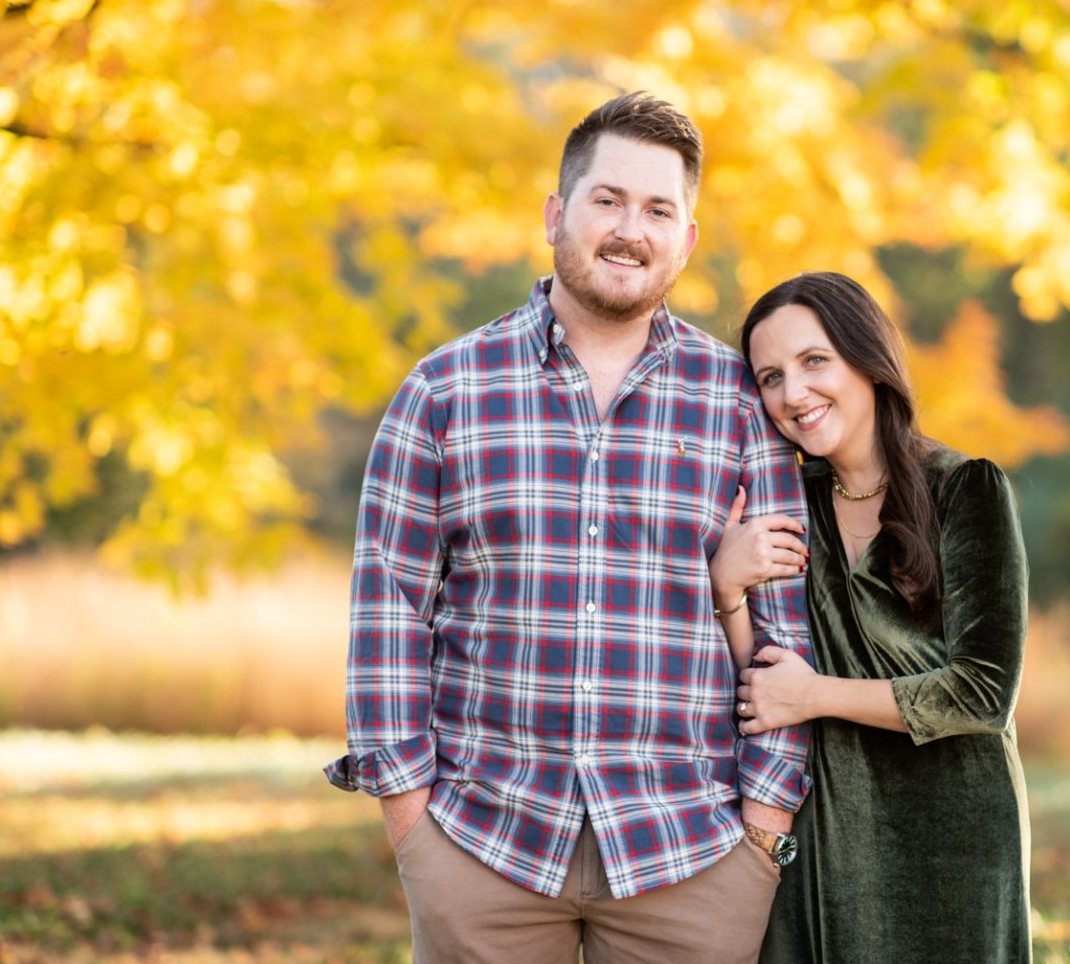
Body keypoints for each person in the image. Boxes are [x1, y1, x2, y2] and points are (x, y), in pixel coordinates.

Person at [325, 92, 813, 964]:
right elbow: (389, 610)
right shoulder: (443, 392)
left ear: (687, 239)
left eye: (659, 210)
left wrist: (763, 831)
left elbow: (789, 631)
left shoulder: (740, 402)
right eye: (608, 200)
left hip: (693, 854)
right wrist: (410, 825)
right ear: (557, 214)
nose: (632, 229)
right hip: (482, 846)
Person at [710, 271, 1032, 963]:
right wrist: (727, 590)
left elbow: (984, 693)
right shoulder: (786, 501)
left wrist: (815, 696)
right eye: (769, 377)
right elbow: (763, 682)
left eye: (813, 361)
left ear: (868, 359)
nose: (793, 394)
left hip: (953, 839)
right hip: (827, 828)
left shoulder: (966, 488)